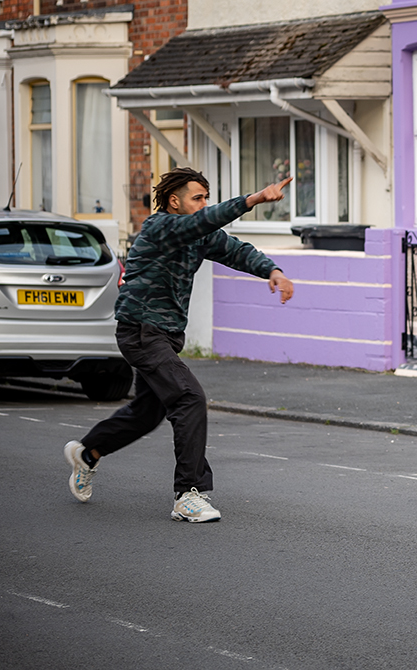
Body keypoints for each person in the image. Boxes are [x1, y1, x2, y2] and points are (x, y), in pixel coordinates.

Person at [64, 167, 295, 523]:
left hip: (165, 336)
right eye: (197, 198)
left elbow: (236, 250)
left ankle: (88, 452)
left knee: (147, 412)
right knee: (189, 398)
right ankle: (189, 493)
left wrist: (272, 271)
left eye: (206, 199)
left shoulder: (200, 235)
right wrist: (254, 199)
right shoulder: (160, 227)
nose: (204, 205)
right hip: (140, 331)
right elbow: (203, 222)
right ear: (174, 201)